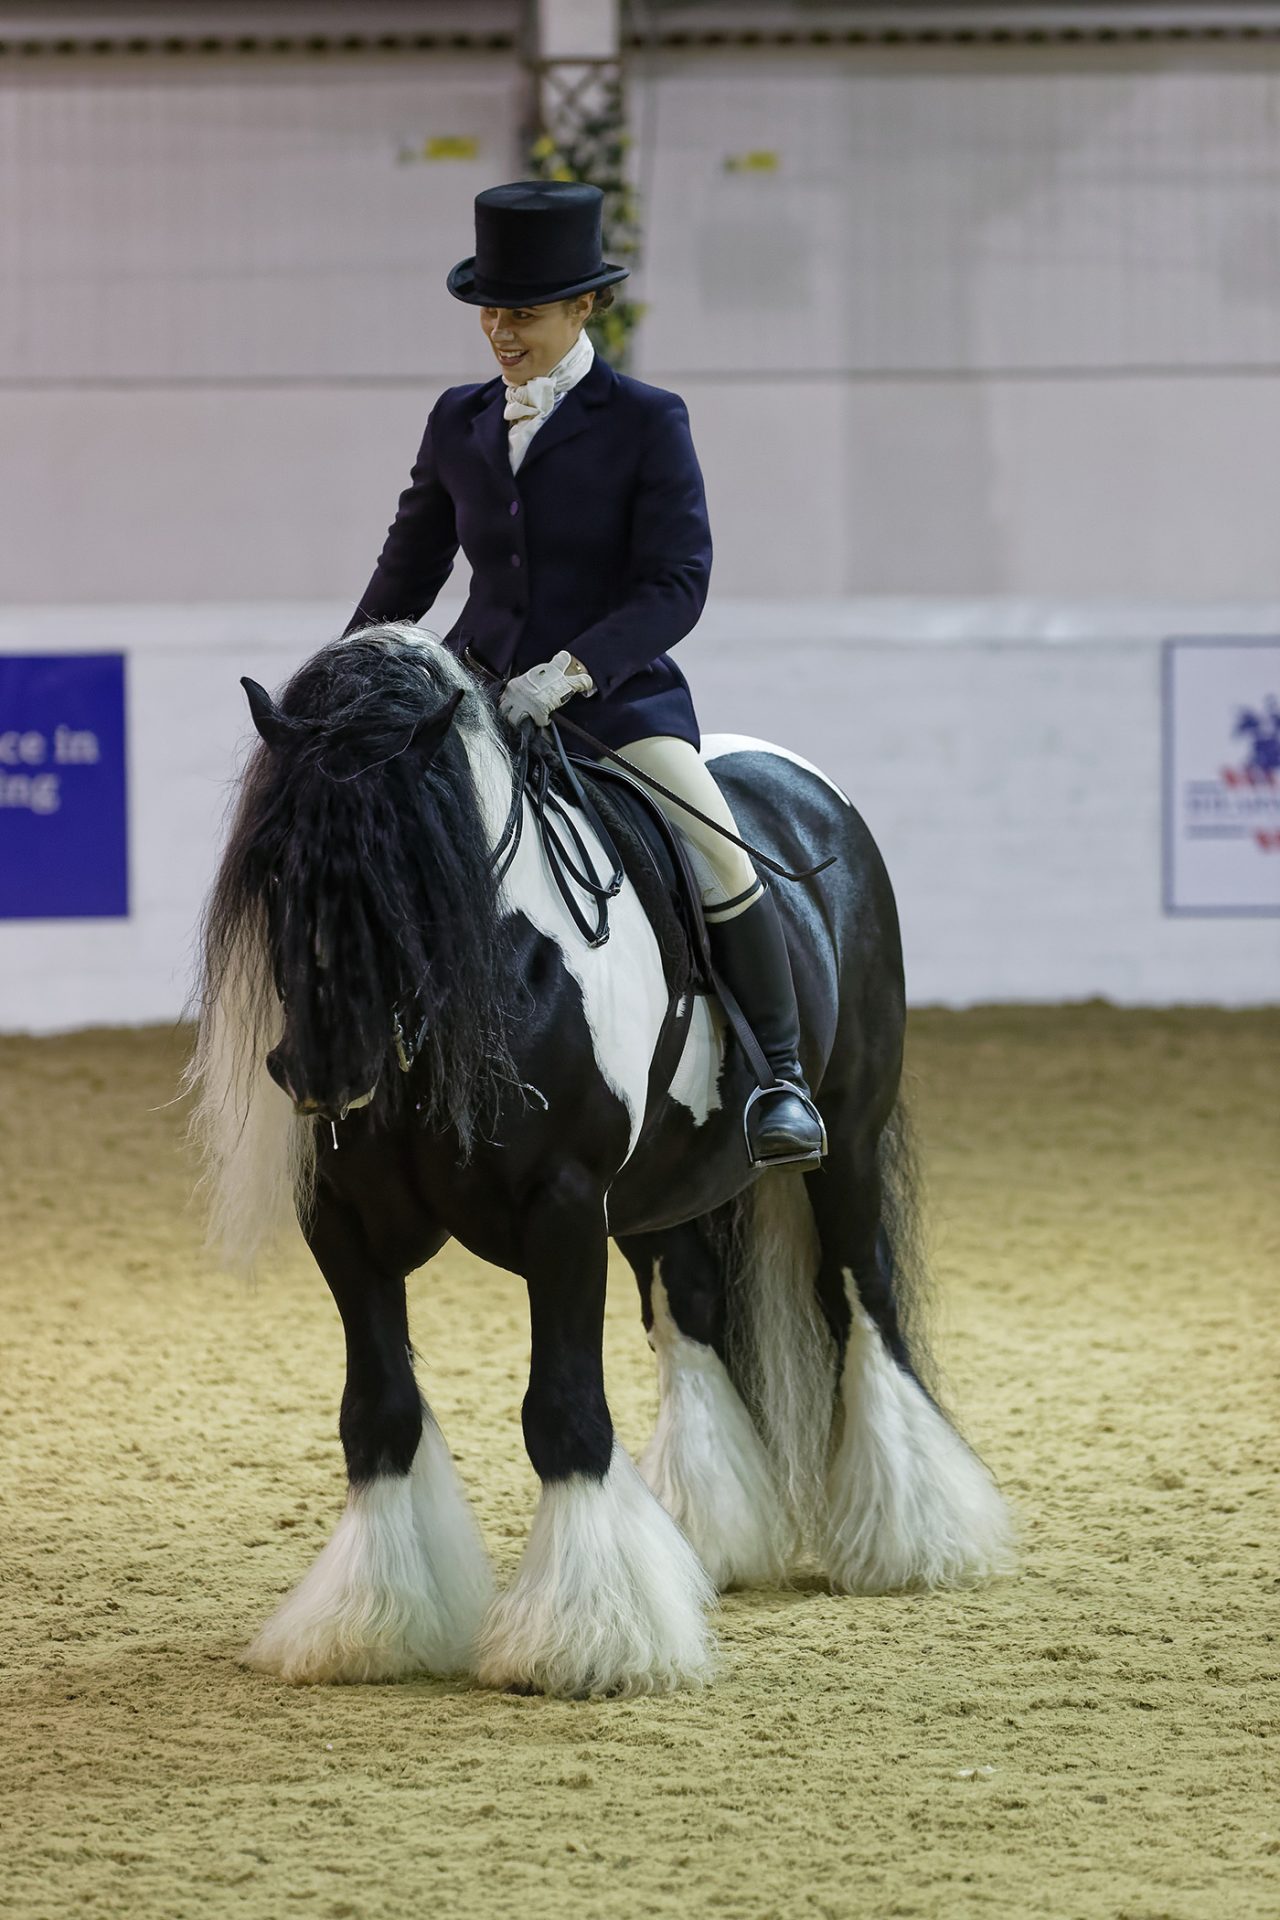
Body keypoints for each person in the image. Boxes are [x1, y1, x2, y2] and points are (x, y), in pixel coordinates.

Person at [344, 180, 825, 1168]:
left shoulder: (646, 420)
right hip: (473, 703)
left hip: (613, 703)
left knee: (715, 842)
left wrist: (571, 671)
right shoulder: (458, 419)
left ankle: (779, 1079)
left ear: (584, 306)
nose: (499, 333)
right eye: (489, 311)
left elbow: (676, 582)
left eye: (519, 313)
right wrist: (350, 673)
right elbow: (410, 565)